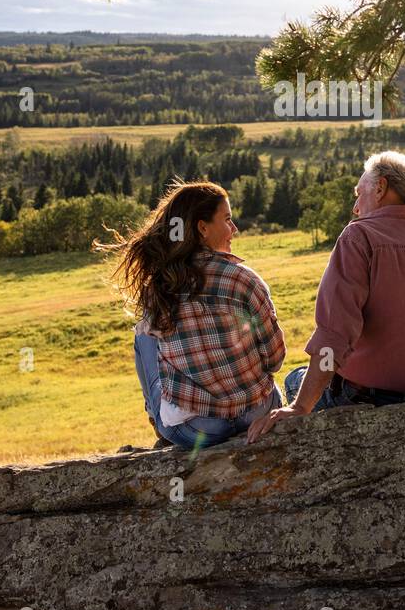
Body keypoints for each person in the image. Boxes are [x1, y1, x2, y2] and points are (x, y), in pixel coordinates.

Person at [247, 150, 405, 443]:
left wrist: (300, 407)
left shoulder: (359, 237)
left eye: (360, 194)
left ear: (381, 188)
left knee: (296, 379)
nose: (356, 207)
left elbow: (334, 335)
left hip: (369, 398)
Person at [99, 178, 286, 449]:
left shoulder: (160, 289)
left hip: (199, 429)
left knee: (144, 337)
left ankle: (159, 421)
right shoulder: (245, 280)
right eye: (227, 219)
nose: (234, 228)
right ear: (202, 228)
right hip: (255, 414)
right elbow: (275, 359)